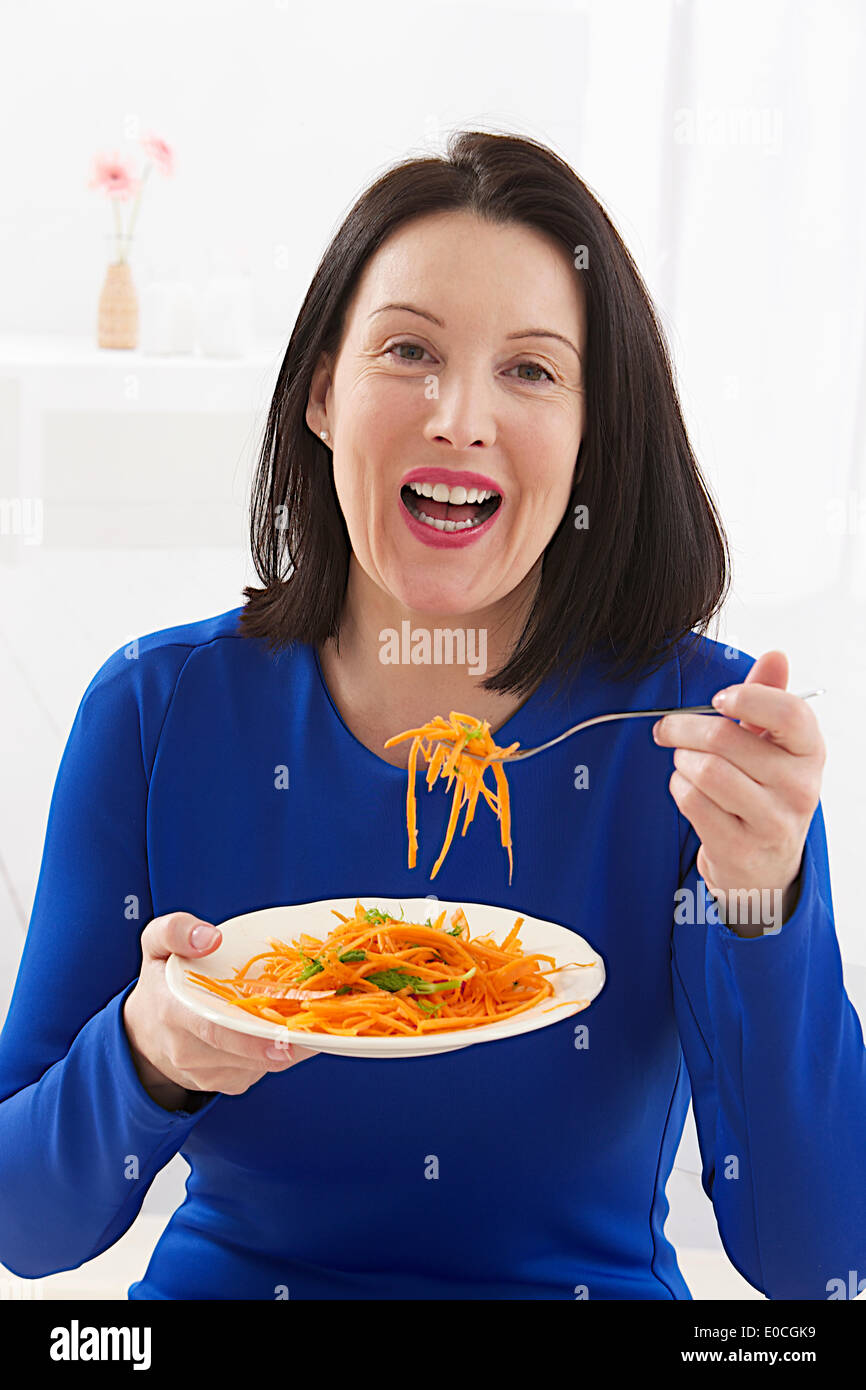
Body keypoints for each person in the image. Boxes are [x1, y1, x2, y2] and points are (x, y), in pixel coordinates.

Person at [0, 130, 862, 1301]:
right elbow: (28, 1229)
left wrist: (764, 899)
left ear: (589, 436)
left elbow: (817, 1264)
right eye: (408, 349)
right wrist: (147, 1052)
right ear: (319, 393)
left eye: (532, 370)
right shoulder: (154, 712)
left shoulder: (696, 742)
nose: (459, 417)